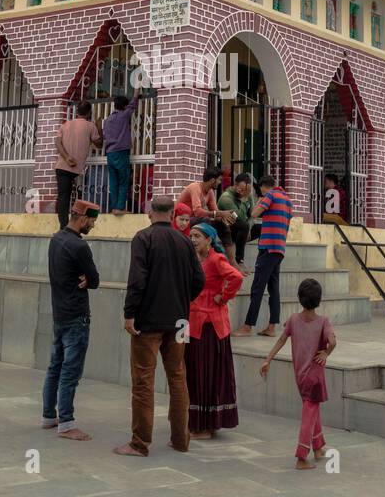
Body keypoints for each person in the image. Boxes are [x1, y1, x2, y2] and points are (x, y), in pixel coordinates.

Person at [115, 195, 205, 457]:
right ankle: (180, 439)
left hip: (149, 319)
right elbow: (199, 279)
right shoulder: (185, 241)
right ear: (174, 212)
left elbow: (137, 279)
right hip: (180, 319)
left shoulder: (143, 238)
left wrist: (130, 313)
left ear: (149, 212)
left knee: (143, 381)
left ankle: (139, 443)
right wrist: (182, 298)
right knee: (178, 377)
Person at [259, 278, 337, 469]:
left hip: (299, 375)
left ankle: (318, 446)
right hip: (315, 376)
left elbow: (281, 340)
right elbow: (333, 341)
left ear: (299, 298)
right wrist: (326, 353)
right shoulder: (323, 321)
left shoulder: (293, 319)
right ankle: (302, 456)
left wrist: (268, 359)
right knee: (310, 411)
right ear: (319, 300)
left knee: (312, 407)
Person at [41, 200, 101, 440]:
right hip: (76, 315)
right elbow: (95, 280)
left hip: (59, 313)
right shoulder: (79, 246)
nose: (94, 225)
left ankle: (48, 416)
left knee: (55, 366)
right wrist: (87, 279)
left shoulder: (56, 239)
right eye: (93, 220)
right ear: (83, 218)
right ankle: (66, 422)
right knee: (70, 371)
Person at [185, 222, 243, 439]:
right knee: (194, 372)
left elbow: (235, 277)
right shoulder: (192, 259)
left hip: (211, 325)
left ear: (209, 240)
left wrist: (223, 296)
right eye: (191, 235)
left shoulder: (216, 259)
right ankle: (196, 422)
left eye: (198, 236)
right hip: (193, 322)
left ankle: (205, 425)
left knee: (206, 373)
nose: (193, 239)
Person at [236, 175, 293, 337]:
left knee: (257, 287)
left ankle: (247, 326)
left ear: (264, 187)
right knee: (273, 288)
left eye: (260, 190)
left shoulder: (270, 196)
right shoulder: (287, 200)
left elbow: (254, 213)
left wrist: (260, 200)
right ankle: (272, 327)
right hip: (279, 248)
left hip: (268, 248)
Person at [54, 101, 102, 228]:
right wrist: (99, 128)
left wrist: (66, 157)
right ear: (89, 112)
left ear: (76, 112)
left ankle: (63, 226)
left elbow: (58, 143)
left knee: (63, 197)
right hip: (77, 170)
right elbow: (99, 145)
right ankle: (75, 225)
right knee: (78, 197)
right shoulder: (90, 126)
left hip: (62, 166)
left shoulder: (65, 125)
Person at [177, 168, 237, 263]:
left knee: (221, 224)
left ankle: (232, 262)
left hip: (196, 221)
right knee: (205, 220)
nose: (220, 182)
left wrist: (225, 218)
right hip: (183, 221)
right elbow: (197, 212)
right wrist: (220, 214)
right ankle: (214, 251)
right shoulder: (195, 187)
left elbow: (215, 212)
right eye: (219, 180)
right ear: (213, 180)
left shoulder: (210, 192)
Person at [101, 93, 139, 214]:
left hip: (110, 154)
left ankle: (113, 206)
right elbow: (132, 105)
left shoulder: (107, 121)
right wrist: (136, 92)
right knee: (124, 180)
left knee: (113, 182)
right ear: (123, 106)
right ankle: (120, 208)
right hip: (121, 152)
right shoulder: (123, 116)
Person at [217, 172, 255, 270]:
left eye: (245, 190)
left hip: (241, 228)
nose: (242, 192)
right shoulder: (226, 198)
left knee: (261, 228)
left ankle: (261, 258)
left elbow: (253, 215)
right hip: (226, 228)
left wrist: (250, 228)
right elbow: (240, 216)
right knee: (244, 225)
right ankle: (239, 260)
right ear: (235, 184)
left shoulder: (248, 195)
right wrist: (245, 198)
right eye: (241, 189)